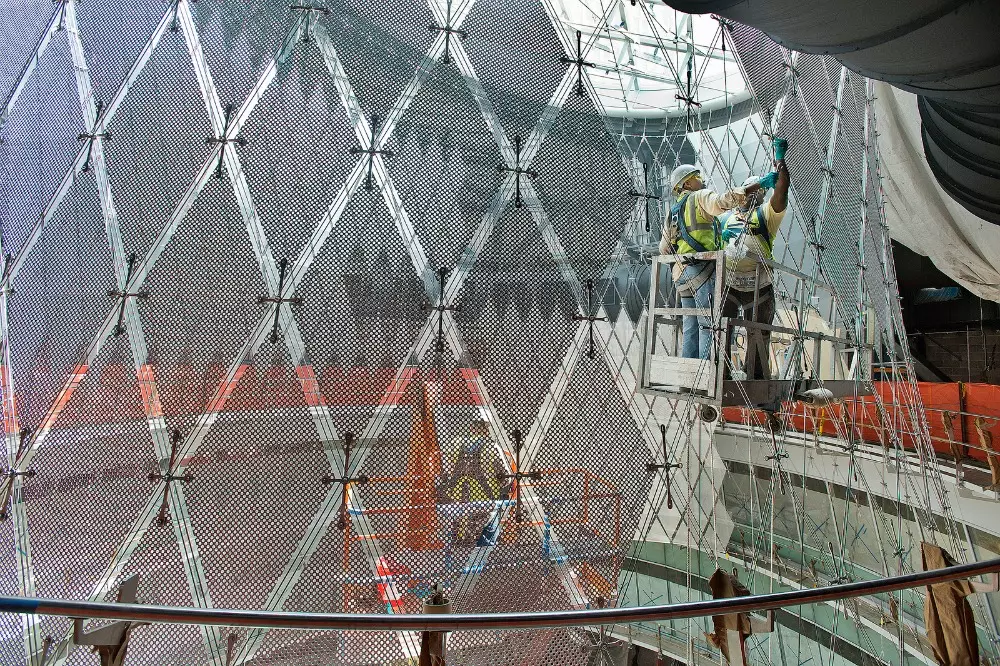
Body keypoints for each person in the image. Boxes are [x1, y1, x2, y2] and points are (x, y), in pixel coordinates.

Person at [661, 165, 776, 360]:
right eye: (697, 177)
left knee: (690, 325)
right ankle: (708, 377)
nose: (702, 180)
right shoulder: (699, 196)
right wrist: (755, 187)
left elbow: (663, 248)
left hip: (682, 274)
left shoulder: (673, 211)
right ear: (687, 183)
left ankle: (688, 377)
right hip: (703, 270)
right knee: (709, 325)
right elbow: (724, 201)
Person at [720, 140, 790, 379]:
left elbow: (781, 191)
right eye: (751, 190)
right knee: (721, 328)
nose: (755, 195)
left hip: (759, 284)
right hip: (729, 282)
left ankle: (756, 375)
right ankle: (722, 371)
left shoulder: (766, 215)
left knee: (758, 332)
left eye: (760, 192)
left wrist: (780, 162)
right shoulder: (726, 219)